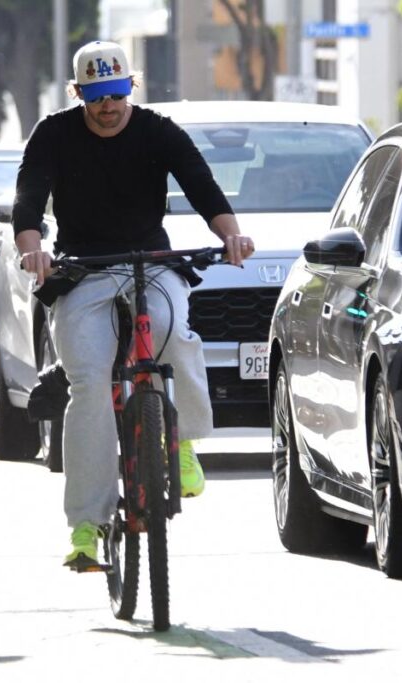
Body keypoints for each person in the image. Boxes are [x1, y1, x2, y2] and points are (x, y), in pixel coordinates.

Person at [13, 41, 255, 569]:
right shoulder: (53, 133)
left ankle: (184, 443)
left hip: (151, 260)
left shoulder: (158, 130)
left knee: (175, 334)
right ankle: (86, 525)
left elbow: (202, 187)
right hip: (83, 268)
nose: (109, 107)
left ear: (132, 87)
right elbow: (28, 198)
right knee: (89, 384)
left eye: (117, 94)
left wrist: (232, 236)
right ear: (79, 94)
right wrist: (32, 249)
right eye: (97, 96)